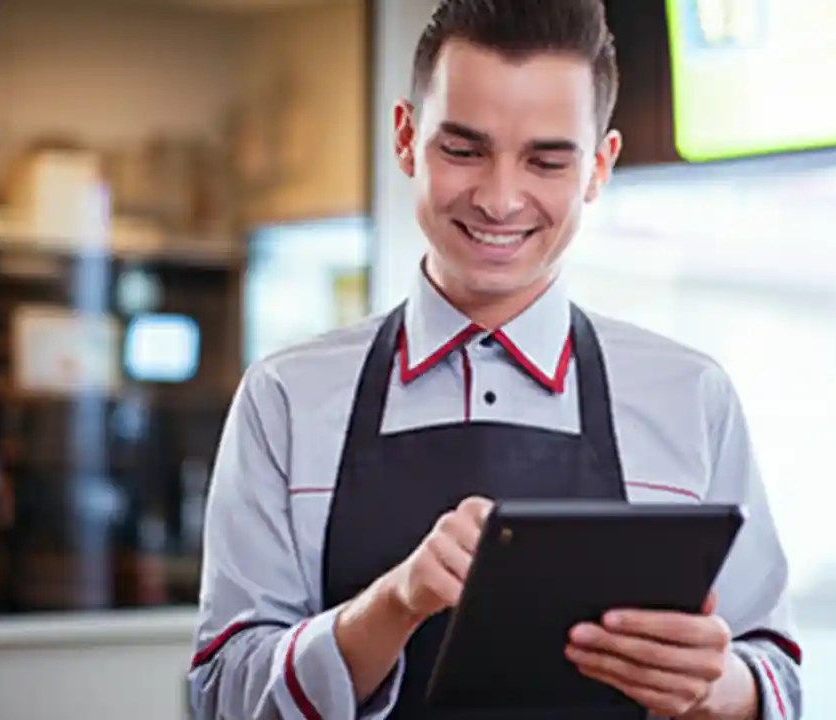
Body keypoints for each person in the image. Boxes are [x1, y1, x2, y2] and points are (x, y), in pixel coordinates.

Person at [188, 1, 801, 718]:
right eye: (463, 151)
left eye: (546, 161)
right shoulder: (285, 397)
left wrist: (714, 687)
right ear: (406, 139)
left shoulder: (691, 396)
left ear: (599, 167)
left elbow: (777, 677)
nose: (500, 199)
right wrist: (395, 602)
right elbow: (221, 694)